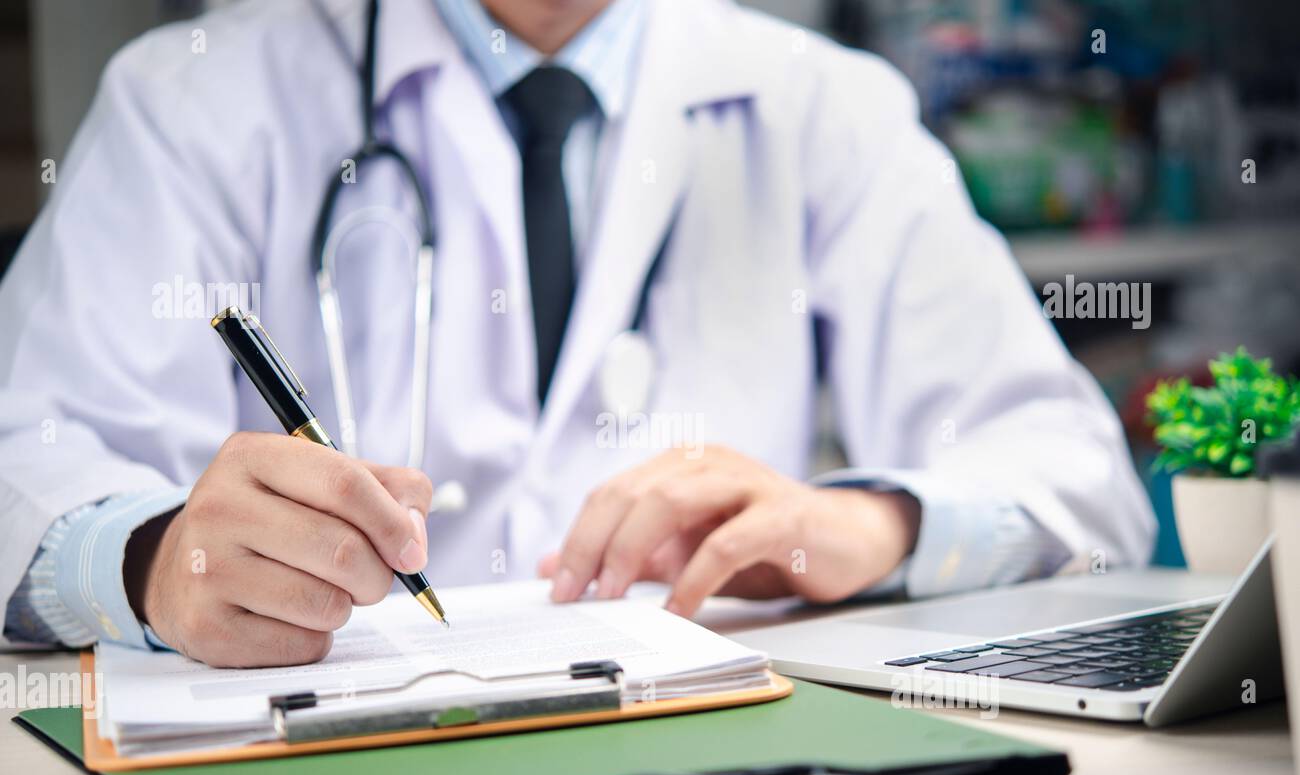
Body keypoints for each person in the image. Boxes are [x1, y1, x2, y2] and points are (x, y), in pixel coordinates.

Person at [0, 0, 1154, 667]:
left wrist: (870, 522)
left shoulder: (820, 103)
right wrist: (154, 560)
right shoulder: (191, 98)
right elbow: (26, 463)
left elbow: (1078, 484)